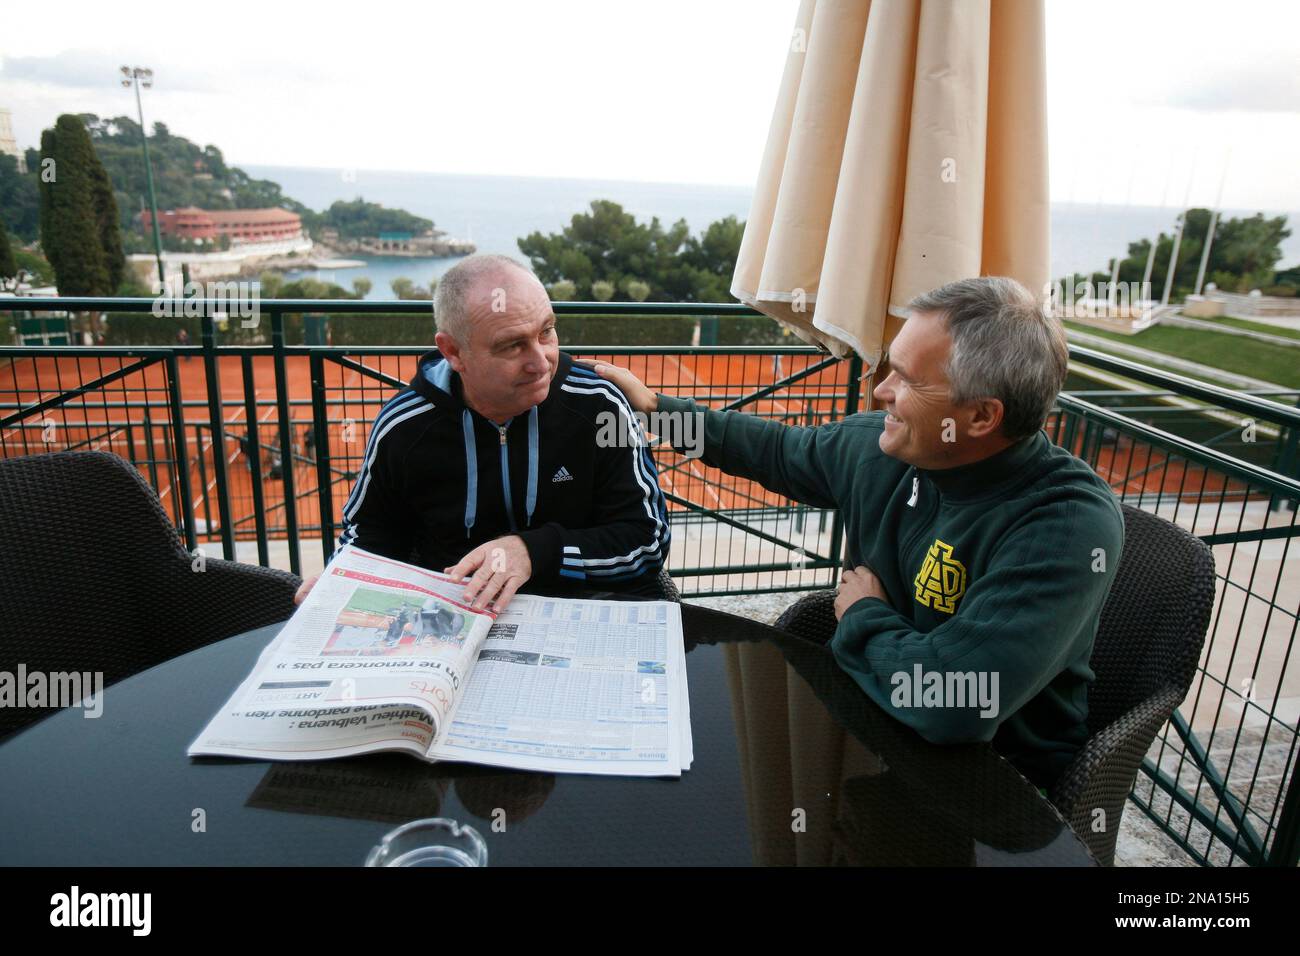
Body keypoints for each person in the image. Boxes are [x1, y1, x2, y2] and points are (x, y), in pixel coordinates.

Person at [596, 276, 1124, 790]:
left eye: (909, 380)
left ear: (983, 415)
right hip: (872, 727)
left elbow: (952, 704)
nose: (881, 391)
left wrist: (864, 615)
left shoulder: (1064, 525)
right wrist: (660, 411)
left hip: (997, 789)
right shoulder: (881, 449)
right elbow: (776, 451)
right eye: (889, 368)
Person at [295, 254, 669, 612]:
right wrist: (344, 575)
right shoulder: (402, 426)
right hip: (448, 625)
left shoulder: (600, 405)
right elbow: (371, 536)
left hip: (583, 616)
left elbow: (647, 541)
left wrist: (534, 551)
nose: (541, 362)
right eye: (512, 345)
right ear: (453, 351)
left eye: (547, 332)